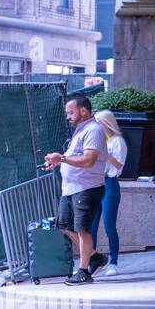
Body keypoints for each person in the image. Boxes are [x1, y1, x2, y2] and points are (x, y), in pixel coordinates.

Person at [43, 96, 109, 285]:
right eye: (67, 113)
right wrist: (56, 162)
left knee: (83, 230)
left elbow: (89, 160)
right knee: (64, 226)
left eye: (70, 112)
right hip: (71, 189)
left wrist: (61, 158)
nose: (68, 117)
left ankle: (83, 272)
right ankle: (95, 257)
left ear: (83, 111)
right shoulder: (80, 130)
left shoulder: (94, 130)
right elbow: (74, 157)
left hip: (87, 188)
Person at [87, 110, 127, 277]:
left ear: (106, 124)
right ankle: (91, 263)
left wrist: (106, 153)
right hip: (95, 184)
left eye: (99, 123)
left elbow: (118, 166)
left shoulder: (118, 141)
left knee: (109, 226)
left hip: (109, 184)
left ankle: (113, 262)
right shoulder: (96, 140)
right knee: (91, 228)